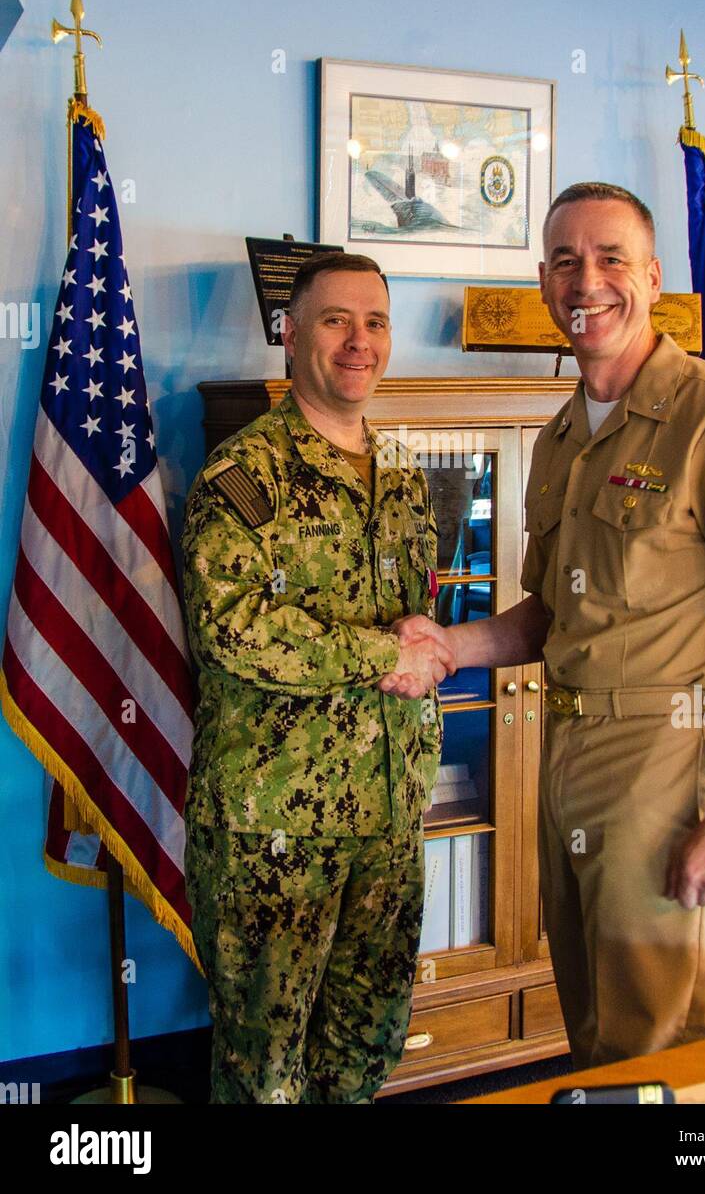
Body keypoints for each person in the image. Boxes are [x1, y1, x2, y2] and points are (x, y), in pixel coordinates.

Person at [386, 182, 705, 1067]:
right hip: (565, 754)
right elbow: (551, 617)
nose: (587, 279)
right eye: (564, 260)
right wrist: (452, 647)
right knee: (595, 1029)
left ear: (653, 277)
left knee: (658, 1047)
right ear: (544, 282)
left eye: (611, 258)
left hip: (669, 760)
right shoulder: (560, 438)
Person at [181, 252, 451, 1103]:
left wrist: (421, 649)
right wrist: (383, 654)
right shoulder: (242, 476)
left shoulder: (407, 477)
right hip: (275, 831)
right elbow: (234, 628)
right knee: (264, 1074)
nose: (358, 341)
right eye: (336, 320)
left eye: (374, 322)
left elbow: (420, 625)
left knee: (366, 1052)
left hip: (390, 817)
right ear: (290, 335)